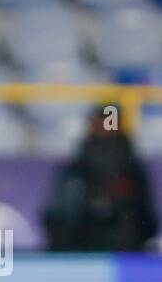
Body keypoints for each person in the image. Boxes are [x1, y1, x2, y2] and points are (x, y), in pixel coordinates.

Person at [42, 105, 159, 252]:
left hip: (121, 250)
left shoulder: (131, 169)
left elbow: (147, 218)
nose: (105, 127)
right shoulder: (78, 168)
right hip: (85, 249)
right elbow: (57, 217)